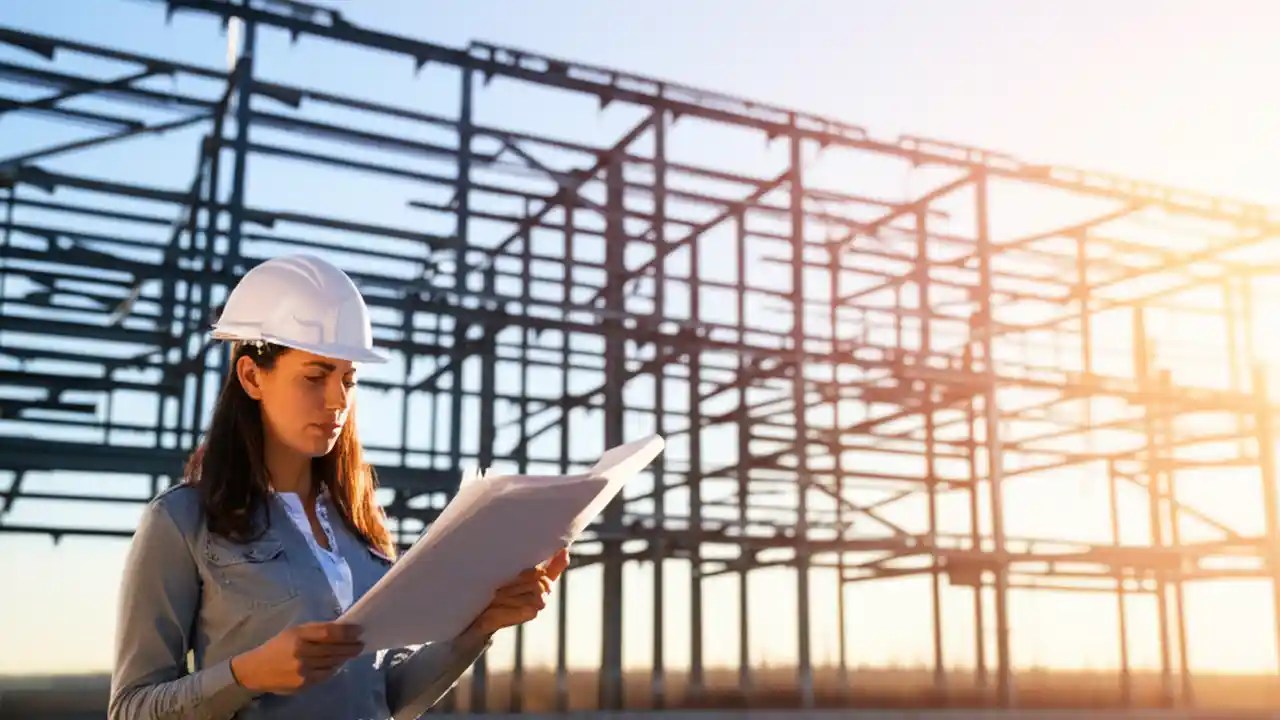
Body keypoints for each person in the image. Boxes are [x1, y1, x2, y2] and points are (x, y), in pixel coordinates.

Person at [108, 254, 568, 719]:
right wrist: (247, 675)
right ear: (251, 377)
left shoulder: (359, 525)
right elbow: (130, 709)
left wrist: (481, 625)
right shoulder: (182, 522)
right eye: (315, 376)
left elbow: (385, 696)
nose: (338, 400)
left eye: (349, 379)